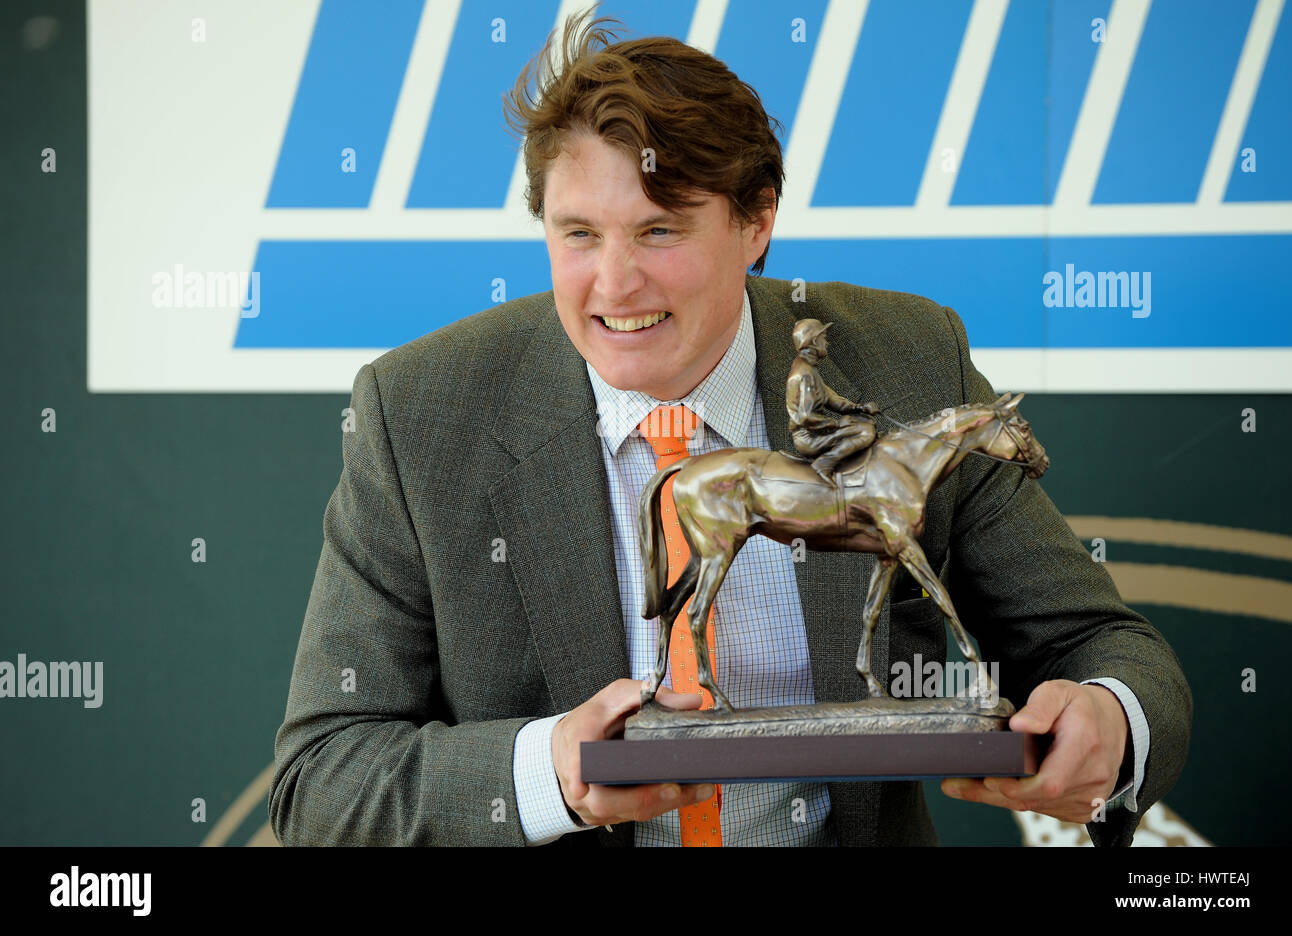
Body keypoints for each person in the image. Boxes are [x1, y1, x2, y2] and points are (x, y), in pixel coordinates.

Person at [269, 7, 1190, 847]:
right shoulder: (421, 410)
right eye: (579, 234)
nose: (614, 285)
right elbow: (323, 780)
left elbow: (1105, 649)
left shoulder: (910, 361)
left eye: (660, 231)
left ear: (757, 223)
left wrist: (1108, 720)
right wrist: (557, 773)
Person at [787, 318, 882, 484]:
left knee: (863, 422)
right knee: (865, 432)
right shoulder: (804, 374)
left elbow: (832, 398)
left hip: (816, 431)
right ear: (815, 341)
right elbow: (805, 417)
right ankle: (824, 464)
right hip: (809, 438)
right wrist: (836, 424)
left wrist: (860, 408)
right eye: (824, 337)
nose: (827, 342)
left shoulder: (809, 369)